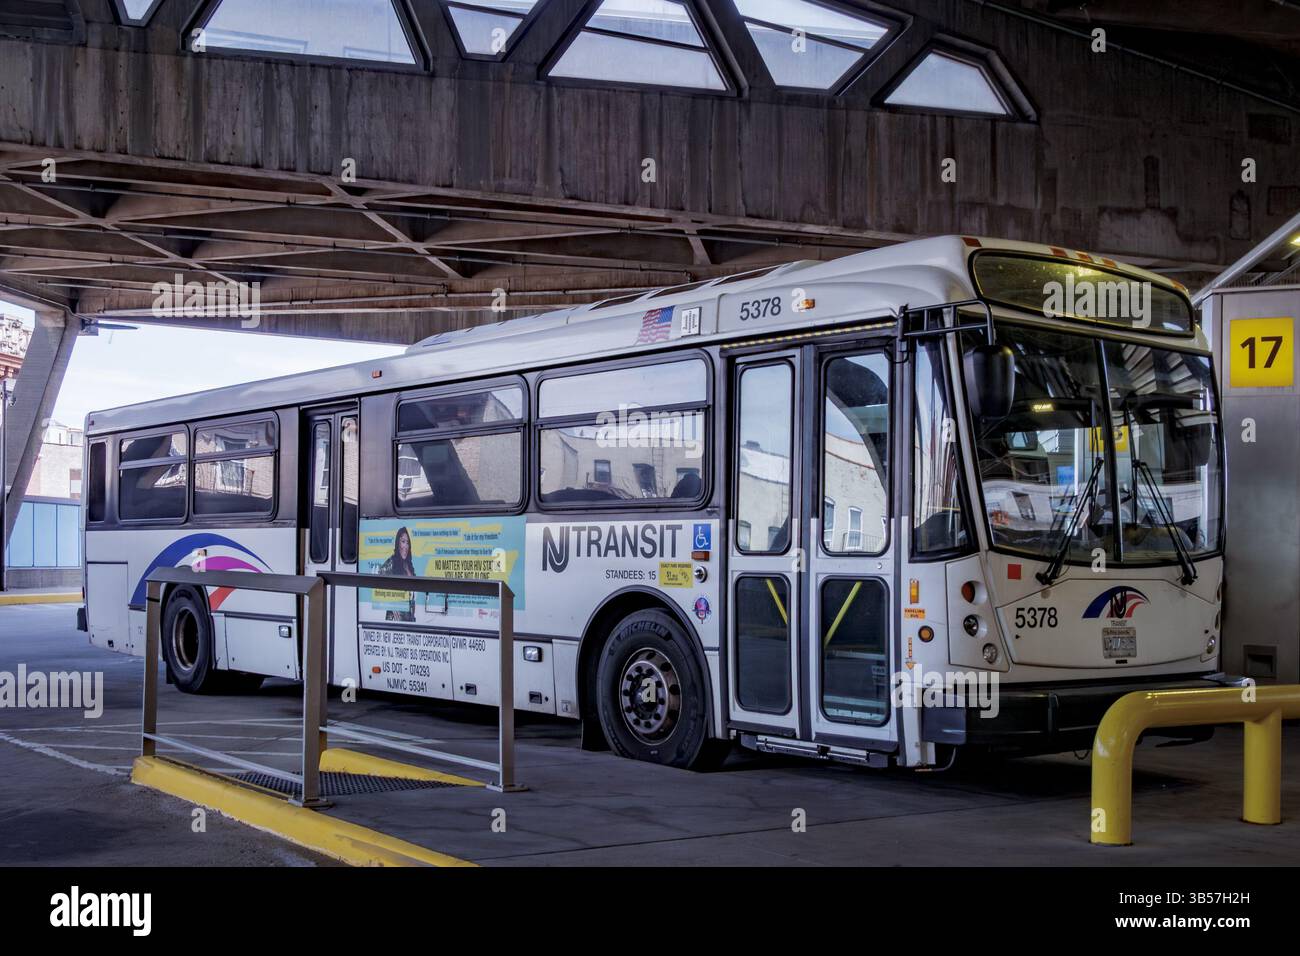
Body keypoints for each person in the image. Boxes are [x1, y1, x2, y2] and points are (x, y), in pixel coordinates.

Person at [379, 526, 416, 622]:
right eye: (403, 541)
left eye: (408, 543)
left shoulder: (409, 565)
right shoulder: (391, 563)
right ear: (397, 543)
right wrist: (390, 604)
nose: (405, 546)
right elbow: (378, 584)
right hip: (395, 619)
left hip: (409, 618)